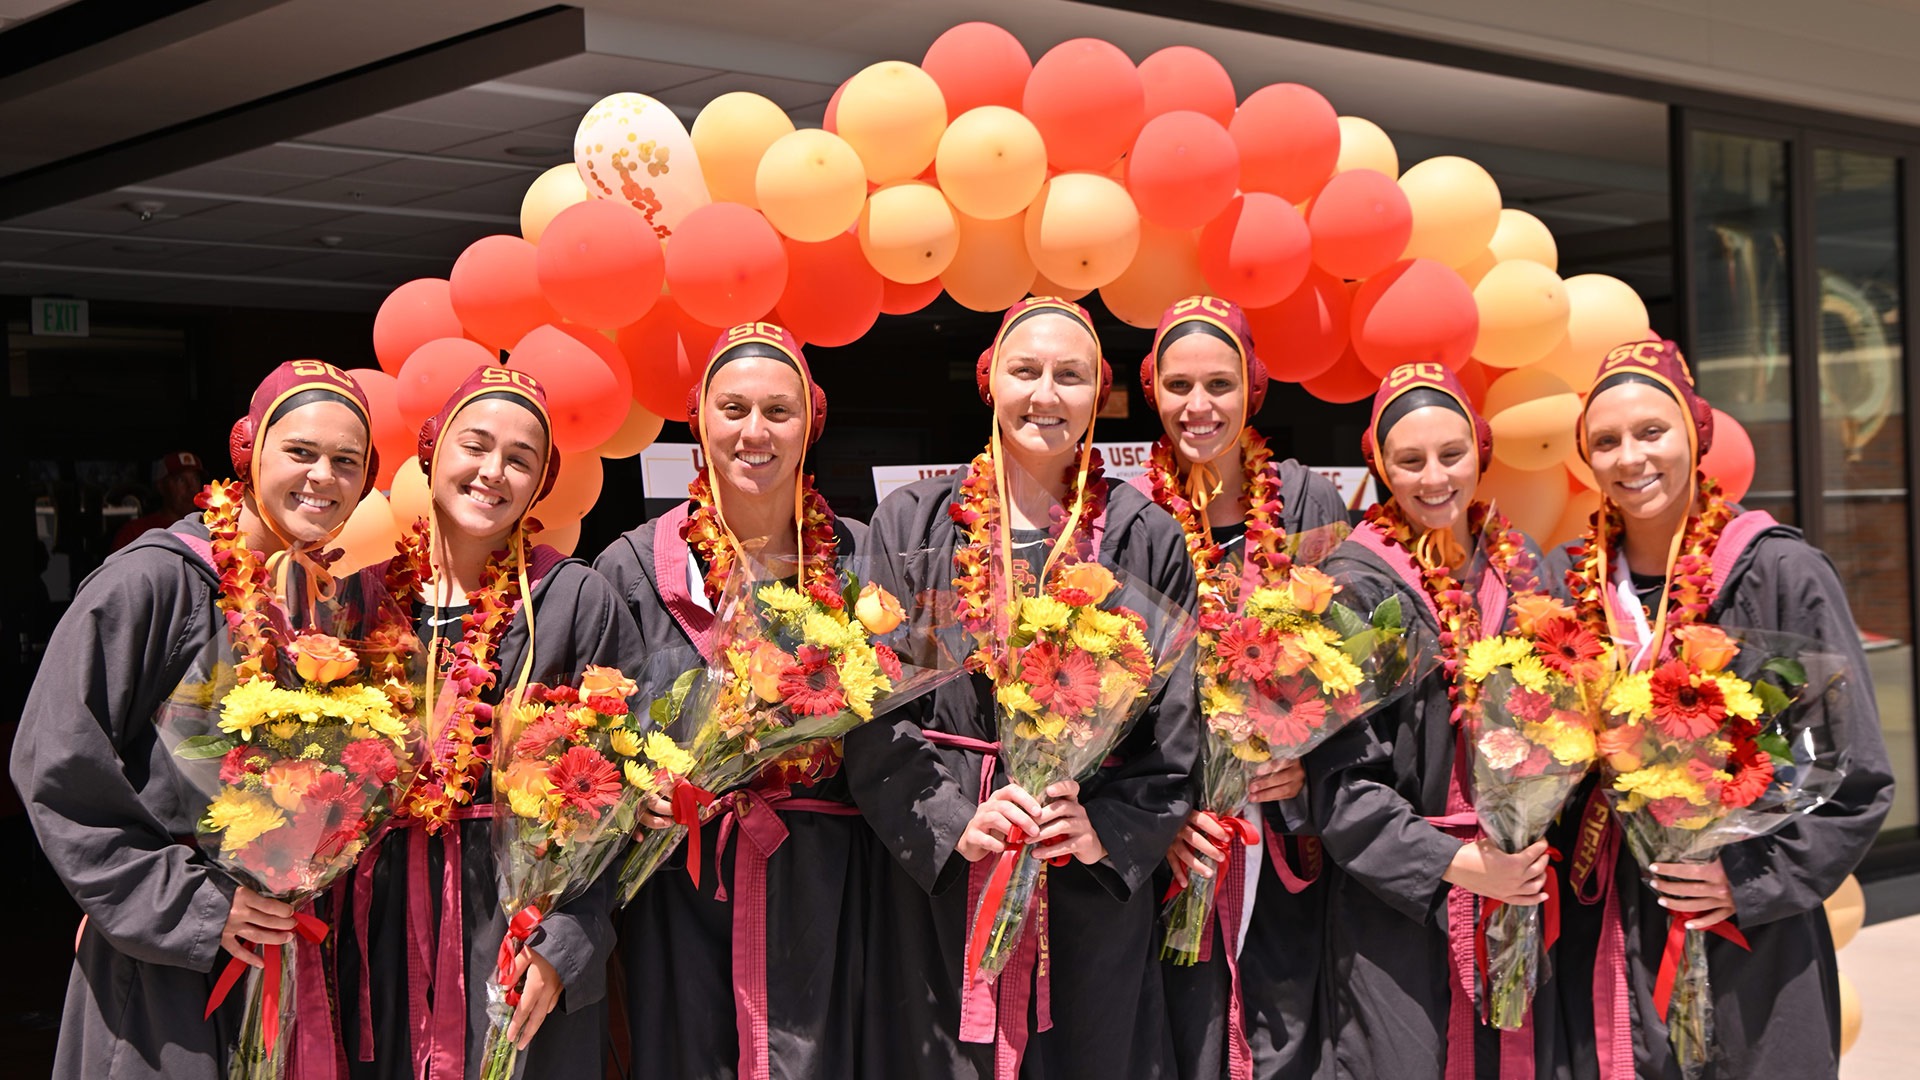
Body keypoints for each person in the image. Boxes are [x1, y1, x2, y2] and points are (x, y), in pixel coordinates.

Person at [844, 297, 1199, 1079]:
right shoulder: (913, 522)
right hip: (951, 876)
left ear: (1100, 392)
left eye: (1070, 375)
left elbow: (1176, 732)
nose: (1046, 394)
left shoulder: (1146, 535)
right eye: (1025, 370)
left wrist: (1105, 830)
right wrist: (953, 820)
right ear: (989, 382)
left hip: (1082, 878)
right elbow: (873, 707)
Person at [12, 360, 376, 1079]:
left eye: (347, 461)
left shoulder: (327, 603)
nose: (323, 477)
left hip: (295, 950)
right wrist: (188, 901)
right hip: (168, 962)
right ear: (249, 453)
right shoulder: (153, 580)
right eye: (300, 451)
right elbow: (56, 761)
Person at [1547, 339, 1894, 1080]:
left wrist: (1749, 879)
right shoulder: (1567, 587)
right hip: (1605, 928)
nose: (1630, 457)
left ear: (1695, 433)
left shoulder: (1779, 571)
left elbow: (1855, 776)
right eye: (1605, 442)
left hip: (1744, 932)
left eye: (1652, 431)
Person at [334, 365, 638, 1079]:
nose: (493, 471)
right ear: (431, 451)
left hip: (516, 929)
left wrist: (566, 942)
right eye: (474, 445)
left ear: (540, 484)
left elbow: (620, 799)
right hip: (376, 933)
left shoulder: (575, 599)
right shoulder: (360, 601)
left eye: (520, 459)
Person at [594, 323, 871, 1080]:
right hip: (679, 888)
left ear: (811, 424)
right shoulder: (632, 568)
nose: (756, 432)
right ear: (700, 421)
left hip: (826, 887)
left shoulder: (857, 558)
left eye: (779, 411)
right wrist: (636, 798)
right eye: (734, 409)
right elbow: (593, 738)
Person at [1307, 362, 1565, 1079]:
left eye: (1452, 454)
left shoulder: (1522, 571)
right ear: (1380, 466)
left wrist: (1516, 850)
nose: (1434, 478)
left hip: (1518, 882)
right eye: (1410, 460)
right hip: (1399, 910)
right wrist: (1457, 864)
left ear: (1480, 451)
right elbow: (1339, 782)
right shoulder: (1356, 586)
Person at [1130, 295, 1348, 1080]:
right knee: (1175, 1038)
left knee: (1279, 1031)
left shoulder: (1310, 503)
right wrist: (1158, 817)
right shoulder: (1128, 515)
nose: (1199, 406)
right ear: (1152, 390)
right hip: (1172, 848)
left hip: (1276, 830)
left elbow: (1347, 664)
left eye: (1219, 384)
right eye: (1179, 385)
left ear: (1253, 389)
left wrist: (1307, 760)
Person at [112, 451, 208, 551]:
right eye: (181, 480)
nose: (191, 488)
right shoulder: (135, 532)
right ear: (161, 486)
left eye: (195, 479)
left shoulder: (210, 528)